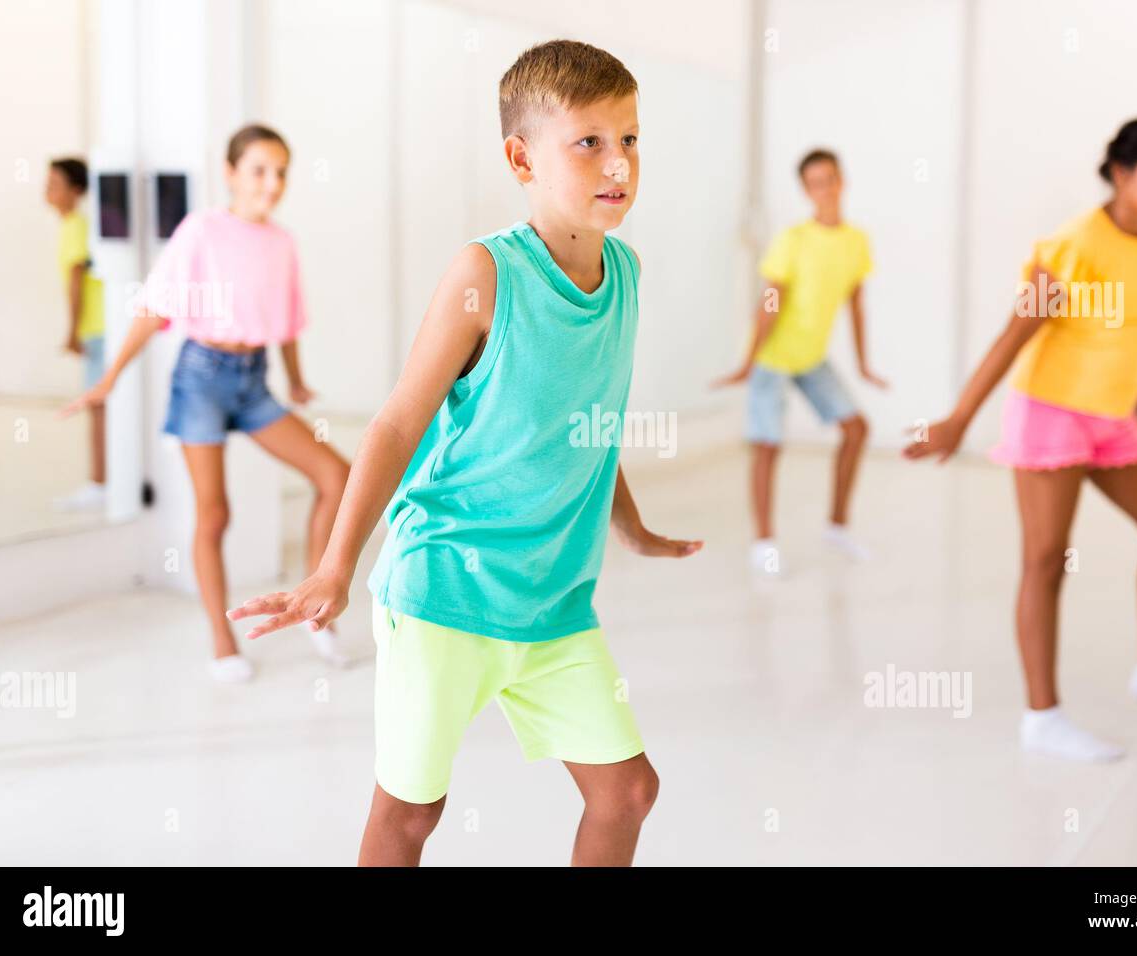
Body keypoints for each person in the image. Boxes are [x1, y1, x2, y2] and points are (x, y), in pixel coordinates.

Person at [227, 40, 702, 866]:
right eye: (587, 141)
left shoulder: (623, 273)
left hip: (553, 603)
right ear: (522, 157)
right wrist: (337, 566)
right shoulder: (486, 272)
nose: (617, 161)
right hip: (444, 592)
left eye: (629, 139)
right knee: (410, 816)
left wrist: (631, 526)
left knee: (628, 792)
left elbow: (589, 425)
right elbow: (396, 424)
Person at [904, 118, 1137, 761]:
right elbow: (1016, 334)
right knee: (1046, 559)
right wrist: (957, 419)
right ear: (1122, 175)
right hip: (1052, 416)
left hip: (1111, 422)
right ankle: (1042, 717)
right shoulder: (1073, 244)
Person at [62, 125, 350, 682]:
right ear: (231, 172)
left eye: (281, 172)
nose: (272, 183)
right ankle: (223, 640)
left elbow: (286, 321)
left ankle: (317, 610)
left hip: (253, 379)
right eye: (260, 170)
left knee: (337, 477)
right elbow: (155, 306)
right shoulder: (202, 231)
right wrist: (111, 378)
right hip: (202, 377)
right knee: (215, 514)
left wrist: (296, 380)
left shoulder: (281, 241)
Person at [715, 148, 886, 575]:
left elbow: (856, 305)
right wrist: (748, 361)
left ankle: (838, 527)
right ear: (807, 191)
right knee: (769, 445)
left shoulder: (856, 241)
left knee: (857, 428)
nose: (825, 189)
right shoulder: (793, 240)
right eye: (815, 184)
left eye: (830, 179)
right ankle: (764, 542)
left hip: (811, 358)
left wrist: (864, 365)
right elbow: (770, 300)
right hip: (774, 356)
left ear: (841, 181)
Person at [46, 158, 107, 511]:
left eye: (55, 183)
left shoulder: (76, 227)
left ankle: (100, 482)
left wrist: (72, 332)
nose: (48, 190)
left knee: (97, 406)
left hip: (96, 330)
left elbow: (75, 283)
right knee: (98, 405)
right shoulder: (74, 225)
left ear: (77, 190)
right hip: (96, 329)